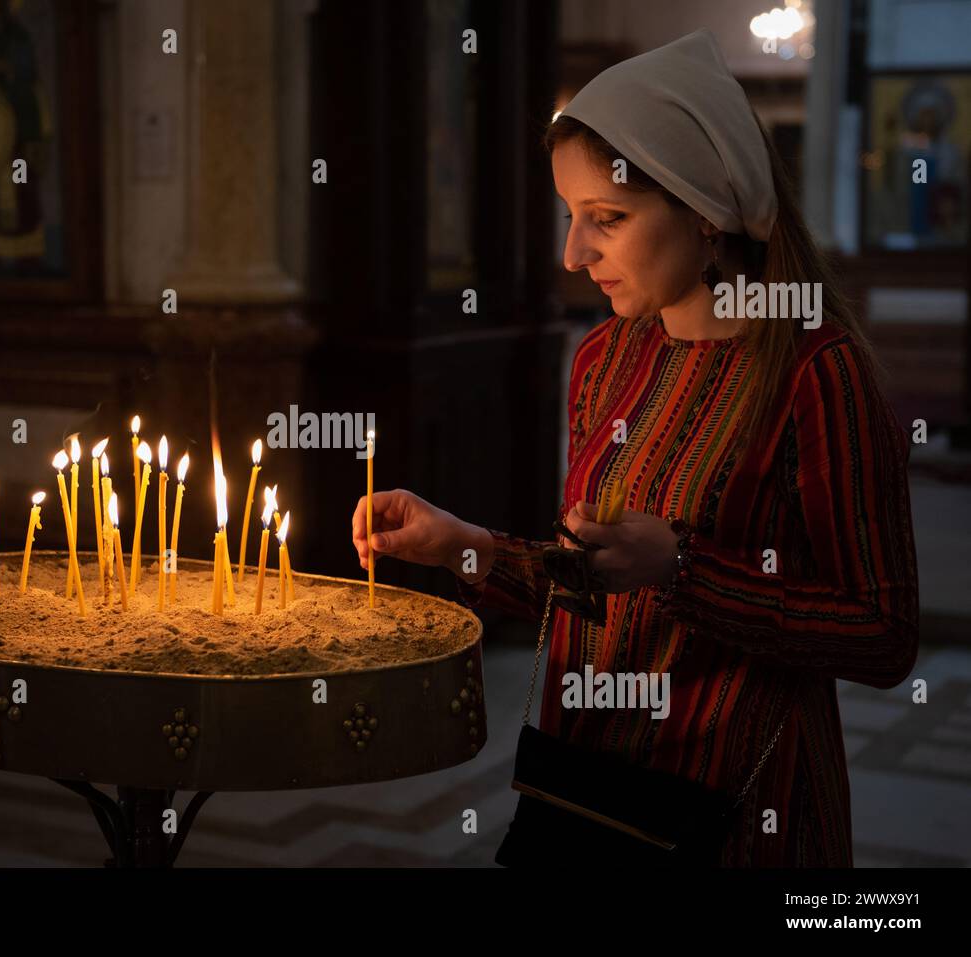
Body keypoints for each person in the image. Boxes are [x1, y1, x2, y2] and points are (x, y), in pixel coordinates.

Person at [351, 31, 918, 867]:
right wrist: (460, 546)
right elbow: (586, 578)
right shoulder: (606, 358)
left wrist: (683, 569)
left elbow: (883, 634)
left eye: (605, 220)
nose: (573, 256)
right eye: (570, 218)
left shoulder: (815, 371)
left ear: (705, 211)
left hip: (741, 811)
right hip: (589, 794)